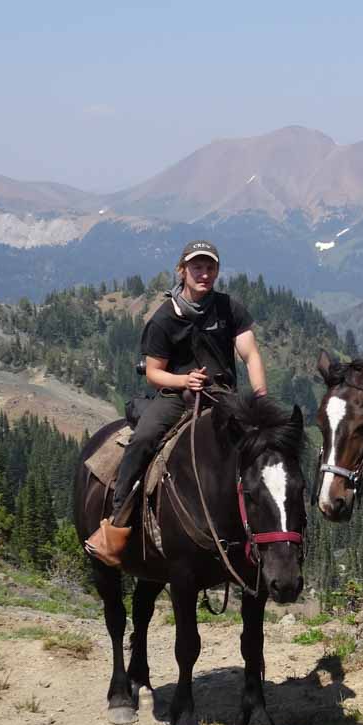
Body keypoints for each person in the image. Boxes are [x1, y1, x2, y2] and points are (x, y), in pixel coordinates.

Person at [85, 240, 267, 567]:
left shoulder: (229, 308)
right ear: (182, 271)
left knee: (264, 450)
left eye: (210, 267)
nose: (204, 273)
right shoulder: (164, 319)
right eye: (197, 267)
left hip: (222, 395)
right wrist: (184, 380)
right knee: (142, 440)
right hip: (175, 398)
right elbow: (154, 374)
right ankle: (117, 522)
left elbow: (250, 354)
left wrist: (260, 398)